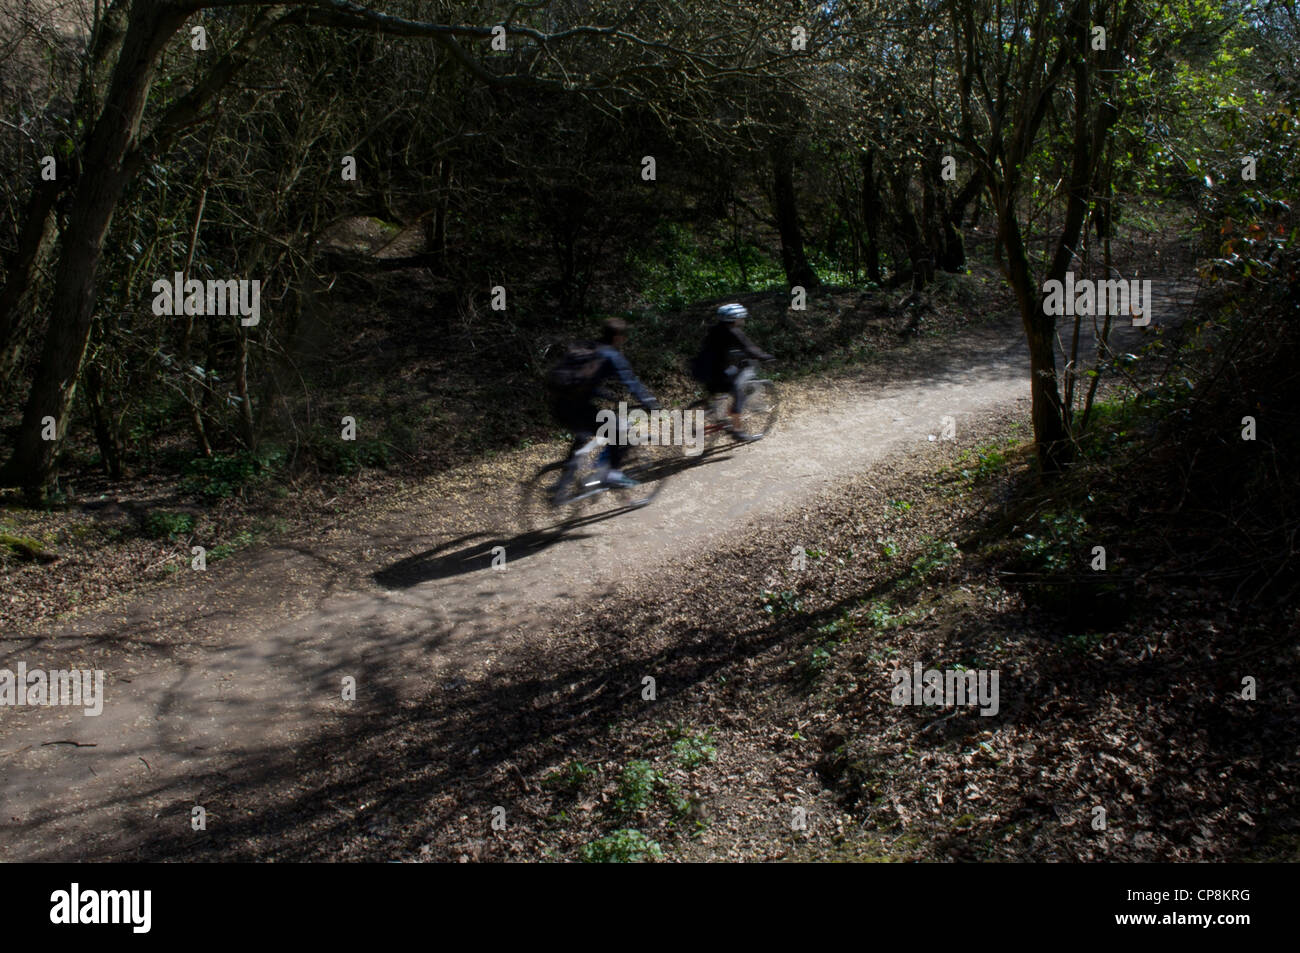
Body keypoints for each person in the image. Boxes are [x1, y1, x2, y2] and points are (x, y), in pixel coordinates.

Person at [548, 316, 659, 499]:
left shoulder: (587, 347)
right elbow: (631, 382)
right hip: (579, 409)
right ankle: (612, 475)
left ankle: (562, 483)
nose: (623, 340)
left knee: (582, 434)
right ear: (617, 337)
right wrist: (650, 402)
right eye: (623, 337)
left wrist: (605, 395)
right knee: (622, 431)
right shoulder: (611, 355)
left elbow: (582, 381)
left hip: (559, 406)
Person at [690, 303, 774, 440]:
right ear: (736, 318)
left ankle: (714, 411)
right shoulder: (733, 332)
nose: (743, 320)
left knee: (719, 389)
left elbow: (717, 350)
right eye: (741, 317)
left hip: (700, 370)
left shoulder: (714, 329)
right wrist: (765, 356)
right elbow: (750, 349)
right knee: (739, 394)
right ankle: (737, 430)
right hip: (717, 374)